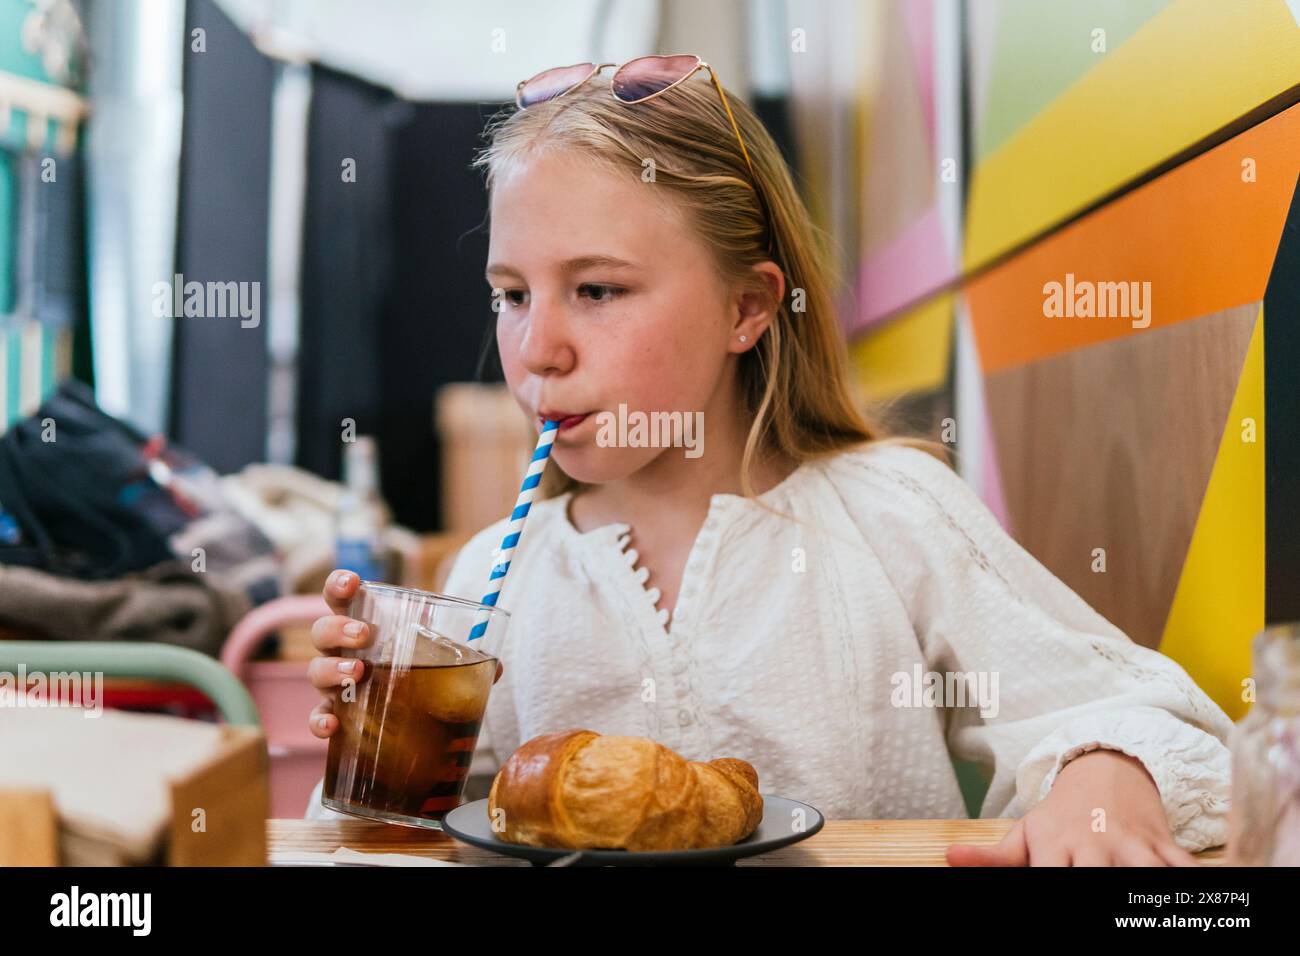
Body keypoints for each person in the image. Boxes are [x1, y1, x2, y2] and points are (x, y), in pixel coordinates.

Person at [303, 59, 1231, 865]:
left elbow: (1133, 711)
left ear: (748, 308)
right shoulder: (494, 582)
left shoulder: (894, 516)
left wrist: (1103, 776)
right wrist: (380, 752)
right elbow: (414, 840)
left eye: (596, 289)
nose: (537, 347)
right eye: (510, 294)